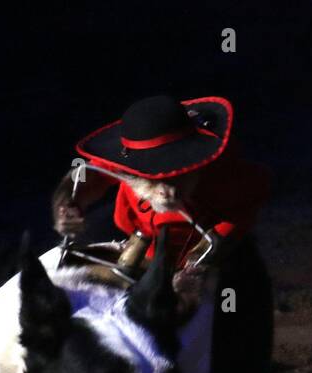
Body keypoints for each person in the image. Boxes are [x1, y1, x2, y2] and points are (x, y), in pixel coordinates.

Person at [51, 94, 271, 274]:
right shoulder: (125, 161)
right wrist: (69, 204)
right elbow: (89, 175)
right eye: (154, 178)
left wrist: (208, 250)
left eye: (176, 174)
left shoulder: (224, 171)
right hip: (141, 237)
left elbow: (248, 204)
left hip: (203, 246)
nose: (168, 191)